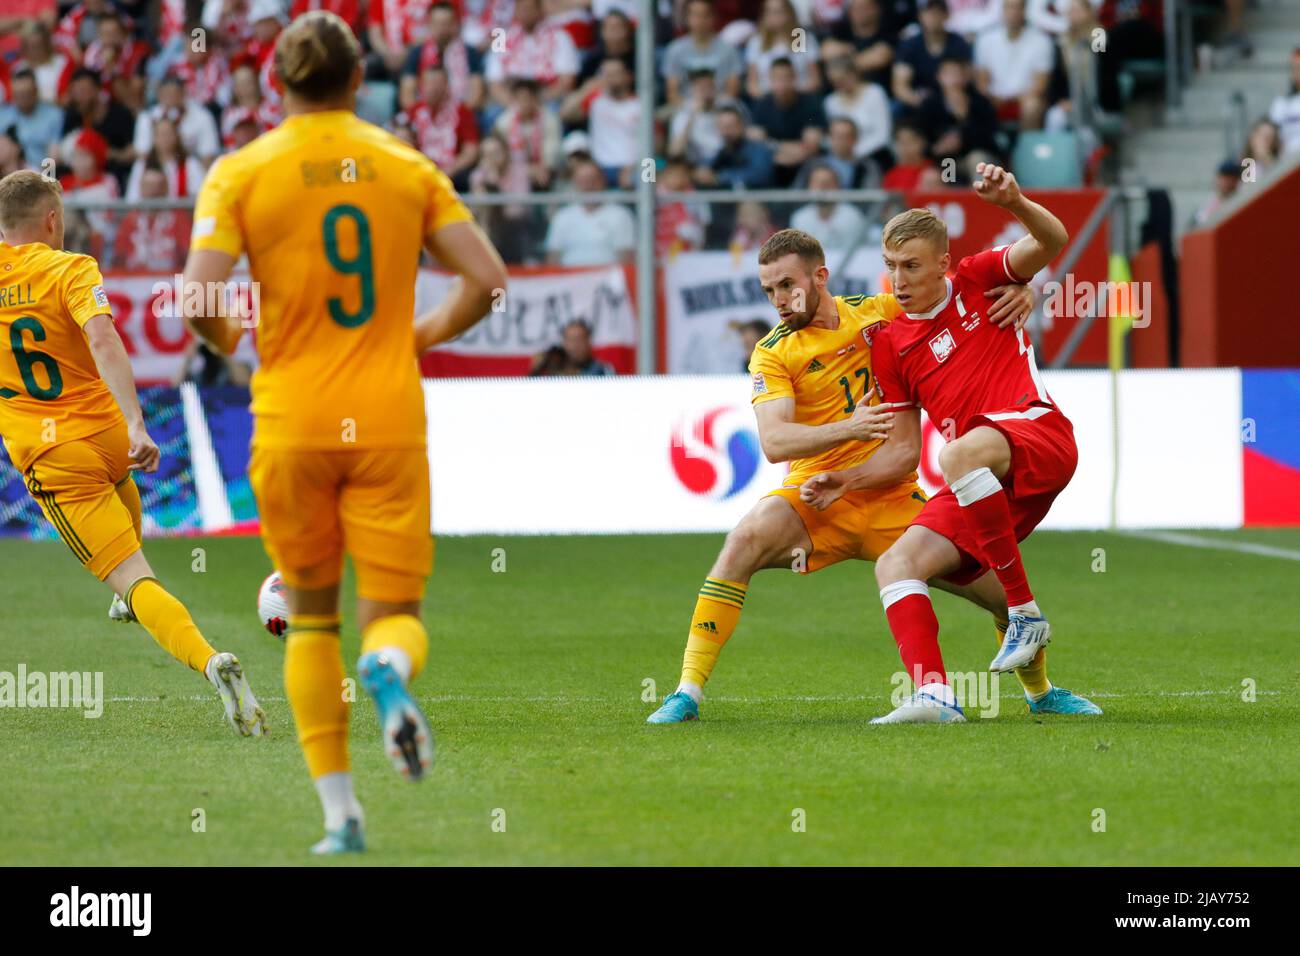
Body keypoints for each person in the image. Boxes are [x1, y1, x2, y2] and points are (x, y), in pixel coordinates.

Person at [181, 10, 507, 854]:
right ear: (360, 79)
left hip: (290, 418)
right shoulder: (405, 165)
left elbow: (197, 301)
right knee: (393, 611)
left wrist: (240, 338)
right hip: (388, 416)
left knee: (312, 620)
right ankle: (390, 673)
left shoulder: (242, 171)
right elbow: (486, 279)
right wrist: (417, 335)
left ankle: (340, 819)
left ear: (275, 84)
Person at [647, 227, 1083, 725]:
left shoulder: (878, 314)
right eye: (769, 290)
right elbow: (775, 443)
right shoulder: (773, 353)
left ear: (820, 276)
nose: (780, 300)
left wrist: (1018, 291)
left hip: (892, 492)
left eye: (788, 285)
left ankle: (1041, 691)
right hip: (816, 498)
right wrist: (849, 428)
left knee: (1001, 595)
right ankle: (686, 692)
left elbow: (947, 305)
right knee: (742, 542)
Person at [801, 166, 1101, 722]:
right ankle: (939, 695)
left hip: (1037, 434)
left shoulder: (977, 278)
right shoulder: (891, 345)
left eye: (911, 266)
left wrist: (1014, 201)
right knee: (896, 563)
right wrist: (846, 479)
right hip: (981, 482)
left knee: (958, 452)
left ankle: (1023, 612)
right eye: (890, 267)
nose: (899, 279)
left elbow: (1053, 241)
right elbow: (900, 454)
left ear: (942, 263)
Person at [0, 169, 268, 739]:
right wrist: (136, 423)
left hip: (53, 455)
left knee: (132, 576)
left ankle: (209, 659)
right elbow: (102, 338)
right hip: (105, 432)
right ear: (52, 222)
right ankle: (129, 603)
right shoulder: (72, 267)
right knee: (122, 494)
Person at [973, 0, 1054, 129]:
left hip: (1026, 99)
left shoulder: (1041, 40)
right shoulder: (985, 39)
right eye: (1009, 8)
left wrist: (1014, 99)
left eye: (1017, 8)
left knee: (1032, 106)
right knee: (977, 104)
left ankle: (1026, 147)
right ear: (1002, 11)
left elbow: (1040, 84)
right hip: (993, 98)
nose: (1013, 13)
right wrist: (992, 97)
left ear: (1024, 11)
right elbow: (982, 81)